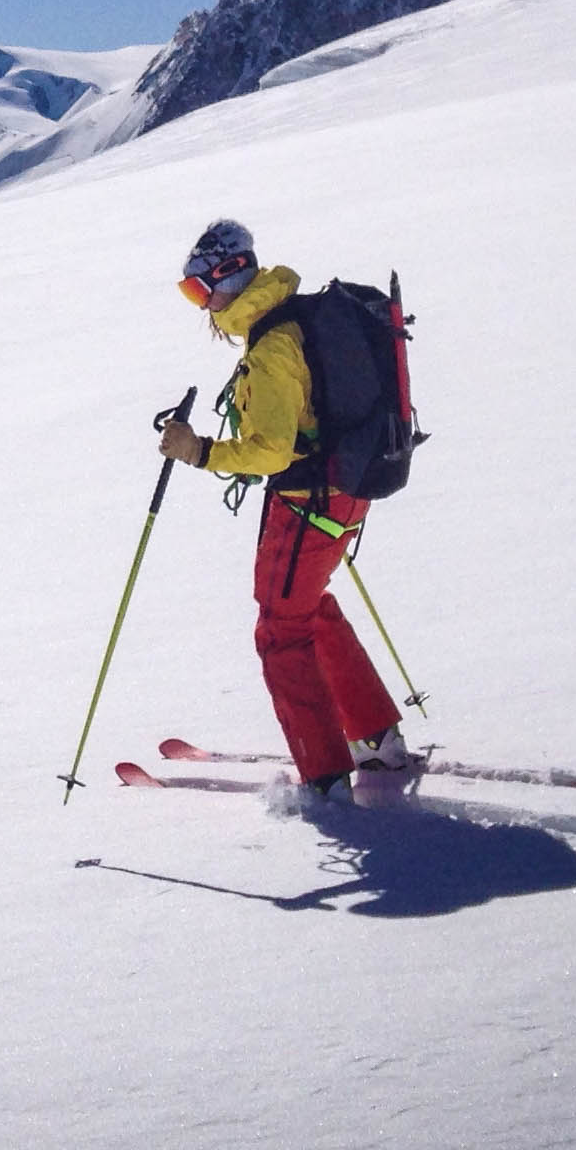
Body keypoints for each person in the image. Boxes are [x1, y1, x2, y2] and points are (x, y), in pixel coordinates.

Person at [158, 218, 423, 809]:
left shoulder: (273, 346)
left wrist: (197, 450)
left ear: (226, 278)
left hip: (307, 504)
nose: (201, 306)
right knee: (309, 609)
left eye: (200, 291)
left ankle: (324, 778)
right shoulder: (290, 318)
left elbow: (271, 450)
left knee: (280, 630)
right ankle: (378, 737)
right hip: (342, 494)